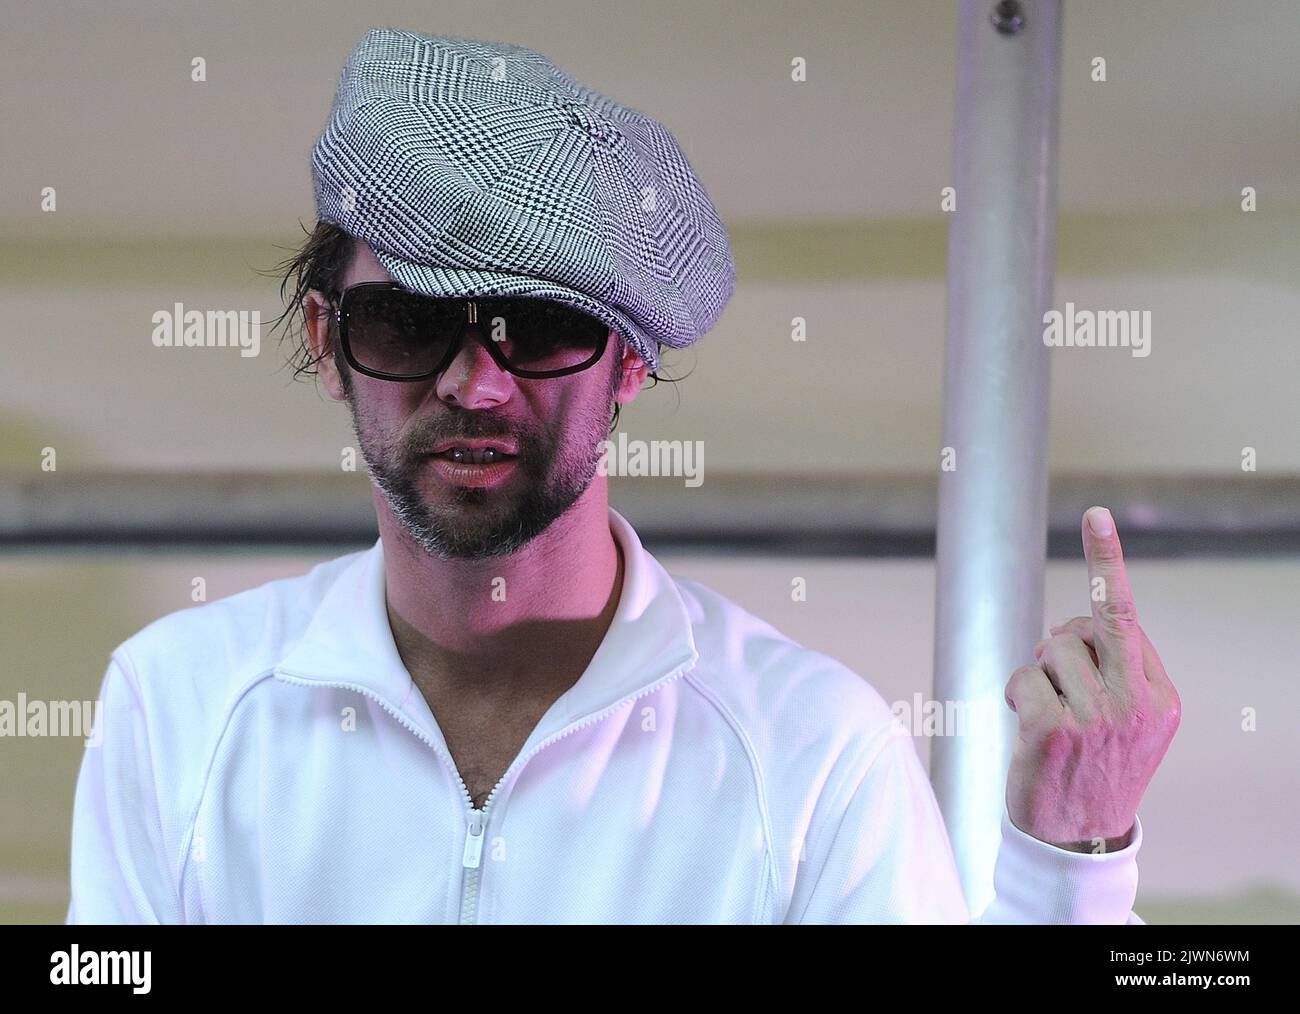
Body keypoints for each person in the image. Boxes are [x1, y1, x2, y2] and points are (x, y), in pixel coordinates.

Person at [66, 28, 1179, 924]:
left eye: (539, 329)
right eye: (410, 322)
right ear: (326, 335)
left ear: (631, 363)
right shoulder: (177, 704)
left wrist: (1070, 868)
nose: (476, 384)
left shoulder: (813, 751)